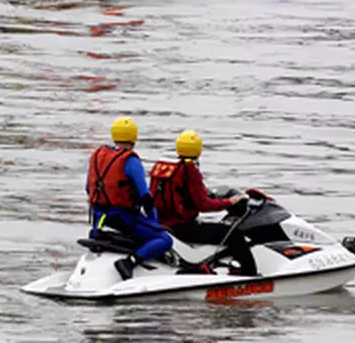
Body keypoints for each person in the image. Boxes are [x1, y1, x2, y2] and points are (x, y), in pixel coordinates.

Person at [149, 130, 257, 276]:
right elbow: (203, 205)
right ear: (198, 149)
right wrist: (229, 202)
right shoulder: (189, 170)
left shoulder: (165, 168)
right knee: (234, 234)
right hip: (184, 228)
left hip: (163, 224)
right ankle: (249, 273)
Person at [88, 116, 174, 282]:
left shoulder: (97, 157)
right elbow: (146, 197)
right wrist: (154, 223)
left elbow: (88, 188)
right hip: (122, 219)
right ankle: (129, 262)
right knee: (164, 239)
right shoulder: (130, 161)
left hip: (99, 220)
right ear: (134, 136)